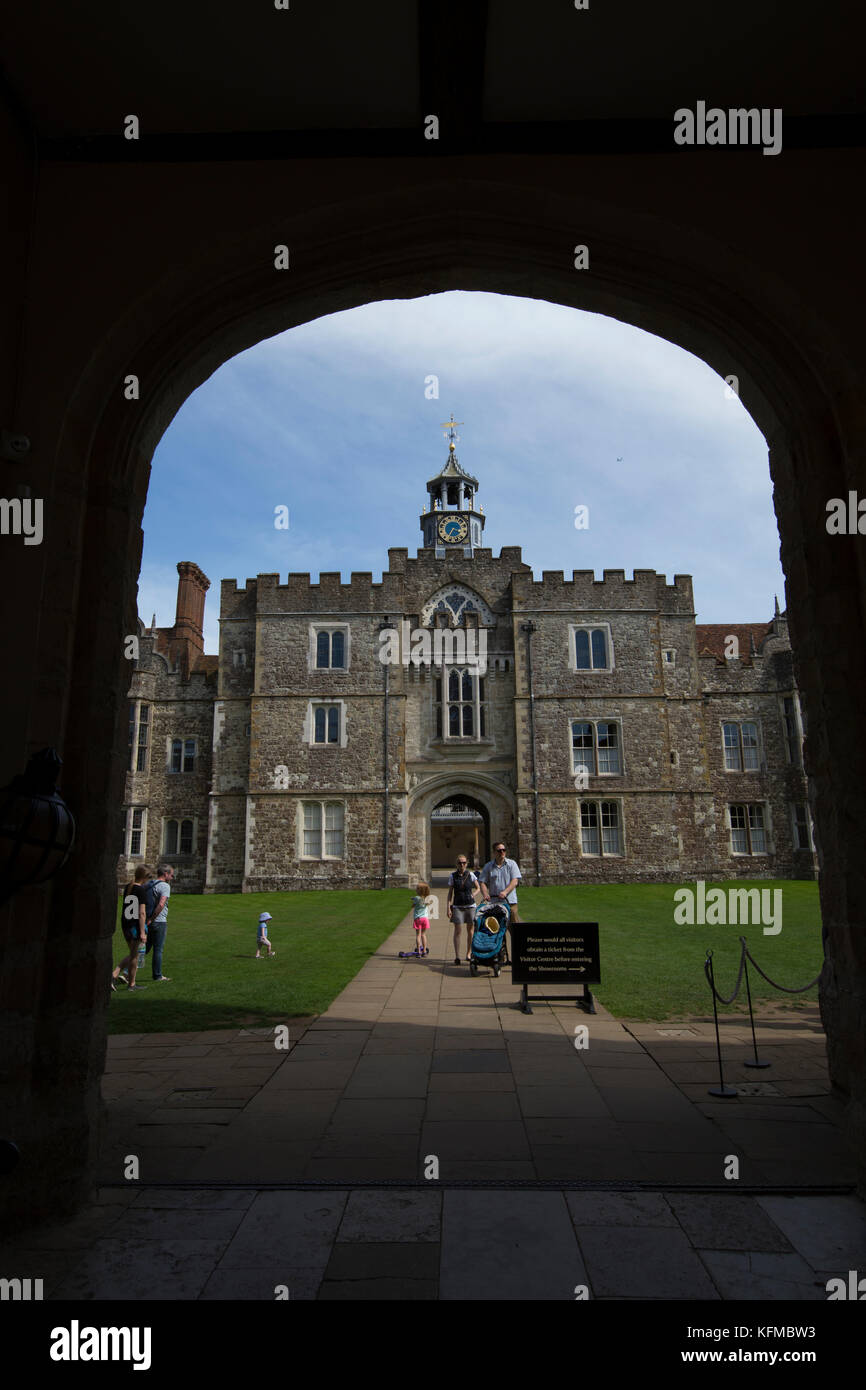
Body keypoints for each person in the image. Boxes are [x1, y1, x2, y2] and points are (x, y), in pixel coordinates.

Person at [112, 864, 150, 991]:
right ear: (144, 877)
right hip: (134, 925)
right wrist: (142, 932)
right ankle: (119, 977)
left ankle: (128, 981)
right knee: (134, 955)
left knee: (134, 954)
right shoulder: (141, 890)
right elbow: (142, 913)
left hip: (126, 924)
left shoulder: (129, 886)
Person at [479, 842, 522, 926]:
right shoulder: (488, 866)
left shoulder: (512, 864)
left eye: (504, 850)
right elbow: (482, 882)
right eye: (499, 850)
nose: (502, 852)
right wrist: (485, 894)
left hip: (510, 902)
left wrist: (505, 892)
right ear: (494, 852)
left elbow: (515, 881)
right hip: (495, 903)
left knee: (514, 928)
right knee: (496, 929)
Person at [447, 854, 479, 965]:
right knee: (457, 931)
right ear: (457, 864)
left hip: (470, 906)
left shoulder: (471, 875)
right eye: (460, 863)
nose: (462, 865)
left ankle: (469, 953)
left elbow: (478, 887)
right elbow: (450, 893)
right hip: (458, 906)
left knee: (470, 931)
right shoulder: (453, 876)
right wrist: (448, 908)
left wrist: (474, 894)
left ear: (467, 863)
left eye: (464, 862)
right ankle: (457, 956)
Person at [147, 864, 174, 982]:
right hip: (159, 921)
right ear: (165, 874)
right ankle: (157, 975)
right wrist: (152, 918)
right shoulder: (165, 886)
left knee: (144, 949)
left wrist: (148, 919)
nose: (172, 877)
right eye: (171, 874)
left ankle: (127, 972)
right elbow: (161, 904)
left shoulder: (149, 884)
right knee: (158, 950)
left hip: (148, 921)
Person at [410, 880, 436, 957]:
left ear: (419, 891)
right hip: (425, 919)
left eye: (417, 888)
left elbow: (413, 905)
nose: (416, 889)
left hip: (418, 919)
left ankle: (418, 951)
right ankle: (424, 950)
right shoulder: (426, 899)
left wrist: (413, 902)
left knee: (418, 935)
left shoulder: (416, 898)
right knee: (423, 935)